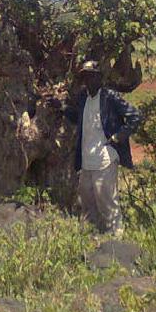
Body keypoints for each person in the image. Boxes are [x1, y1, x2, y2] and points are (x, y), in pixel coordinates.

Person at [60, 60, 142, 236]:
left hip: (105, 159)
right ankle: (93, 241)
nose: (89, 81)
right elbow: (78, 119)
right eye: (86, 77)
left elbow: (135, 116)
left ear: (99, 78)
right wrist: (61, 108)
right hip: (86, 160)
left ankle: (116, 243)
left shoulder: (109, 97)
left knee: (107, 203)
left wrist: (117, 137)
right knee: (88, 205)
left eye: (92, 77)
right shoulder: (84, 98)